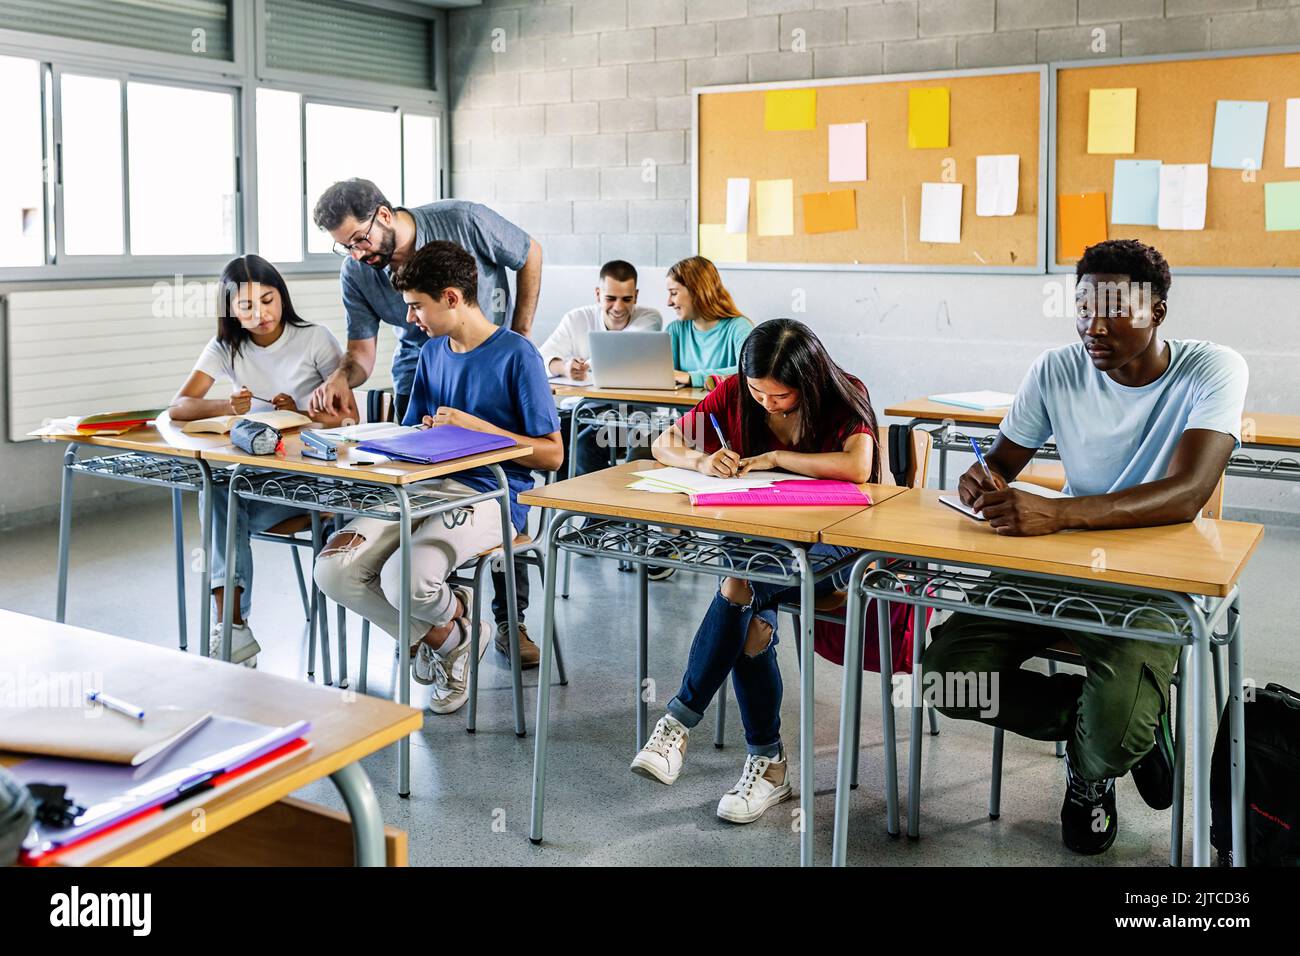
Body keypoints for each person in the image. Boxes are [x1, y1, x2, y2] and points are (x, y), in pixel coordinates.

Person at [922, 239, 1248, 855]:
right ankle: (1117, 731)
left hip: (1154, 576)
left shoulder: (1212, 368)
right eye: (1082, 308)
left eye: (1116, 309)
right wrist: (983, 479)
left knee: (1112, 733)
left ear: (1158, 313)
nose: (1094, 326)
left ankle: (1092, 773)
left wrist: (1058, 513)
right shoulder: (1057, 368)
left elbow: (1187, 492)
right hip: (1060, 561)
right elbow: (1001, 464)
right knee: (946, 677)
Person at [630, 318, 880, 823]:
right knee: (749, 614)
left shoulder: (843, 392)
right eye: (757, 392)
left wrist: (773, 458)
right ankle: (767, 766)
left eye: (781, 396)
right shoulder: (733, 393)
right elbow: (665, 444)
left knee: (740, 578)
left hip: (835, 549)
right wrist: (701, 463)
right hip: (761, 542)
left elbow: (858, 467)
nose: (767, 404)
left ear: (807, 381)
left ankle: (679, 724)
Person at [314, 240, 562, 715]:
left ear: (451, 297)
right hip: (424, 488)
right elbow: (412, 435)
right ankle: (452, 636)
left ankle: (444, 629)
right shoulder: (430, 353)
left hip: (494, 496)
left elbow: (552, 455)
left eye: (416, 307)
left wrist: (478, 430)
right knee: (333, 569)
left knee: (404, 580)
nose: (411, 318)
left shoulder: (518, 355)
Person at [170, 254, 358, 666]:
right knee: (218, 492)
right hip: (257, 480)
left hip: (314, 483)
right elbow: (179, 407)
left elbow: (349, 420)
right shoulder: (226, 346)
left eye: (269, 300)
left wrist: (305, 413)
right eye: (247, 306)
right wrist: (226, 404)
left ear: (282, 297)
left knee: (223, 506)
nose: (261, 314)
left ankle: (232, 630)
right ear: (231, 312)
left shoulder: (314, 338)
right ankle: (234, 629)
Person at [540, 259, 662, 476]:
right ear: (598, 294)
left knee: (585, 447)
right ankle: (575, 501)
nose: (618, 307)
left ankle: (598, 504)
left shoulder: (649, 318)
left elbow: (623, 348)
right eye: (610, 299)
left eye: (627, 299)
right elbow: (541, 357)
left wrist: (588, 365)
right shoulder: (577, 318)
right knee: (551, 448)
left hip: (630, 410)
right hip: (583, 407)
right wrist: (564, 366)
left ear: (636, 296)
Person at [665, 256, 751, 389]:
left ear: (696, 291)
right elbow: (664, 376)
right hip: (686, 409)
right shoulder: (675, 330)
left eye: (674, 293)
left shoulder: (739, 327)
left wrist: (692, 377)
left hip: (721, 409)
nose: (669, 302)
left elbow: (749, 371)